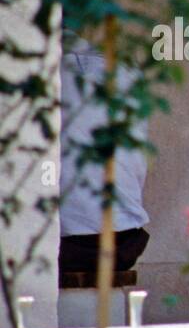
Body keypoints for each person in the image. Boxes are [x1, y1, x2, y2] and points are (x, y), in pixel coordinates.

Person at [59, 37, 151, 275]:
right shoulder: (127, 73)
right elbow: (136, 165)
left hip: (64, 244)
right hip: (126, 241)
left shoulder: (37, 77)